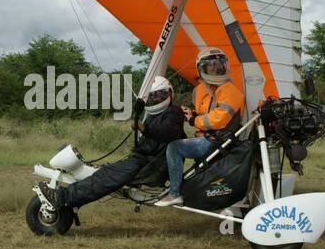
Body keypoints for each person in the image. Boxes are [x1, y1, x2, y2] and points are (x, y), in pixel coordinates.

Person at [39, 76, 185, 212]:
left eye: (160, 95)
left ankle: (63, 197)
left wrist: (145, 128)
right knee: (104, 173)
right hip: (143, 159)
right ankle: (69, 198)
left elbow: (168, 131)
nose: (156, 99)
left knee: (106, 177)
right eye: (153, 96)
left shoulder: (174, 112)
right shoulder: (156, 115)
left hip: (149, 163)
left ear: (169, 95)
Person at [155, 47, 244, 207]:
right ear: (202, 69)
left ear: (225, 66)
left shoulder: (231, 91)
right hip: (210, 137)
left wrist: (193, 120)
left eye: (219, 65)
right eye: (212, 66)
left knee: (174, 147)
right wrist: (192, 113)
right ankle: (180, 185)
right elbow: (208, 114)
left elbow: (218, 120)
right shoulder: (204, 90)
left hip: (218, 141)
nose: (216, 69)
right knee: (177, 139)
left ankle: (175, 193)